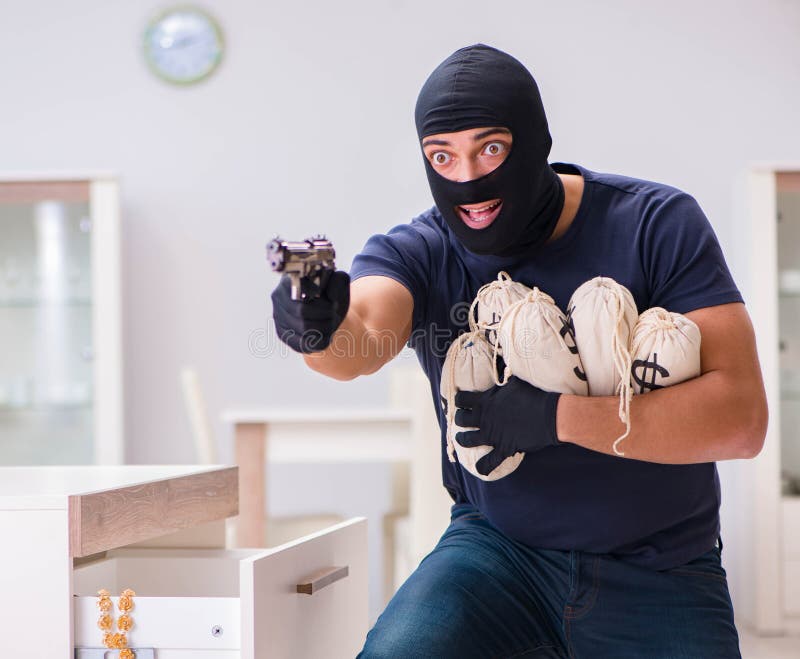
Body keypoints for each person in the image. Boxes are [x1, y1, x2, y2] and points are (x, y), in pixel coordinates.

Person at [271, 44, 768, 658]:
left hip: (660, 565)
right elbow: (364, 337)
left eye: (490, 149)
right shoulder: (421, 249)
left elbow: (742, 422)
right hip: (499, 555)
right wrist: (317, 328)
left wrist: (557, 418)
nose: (467, 179)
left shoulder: (656, 223)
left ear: (534, 142)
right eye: (442, 156)